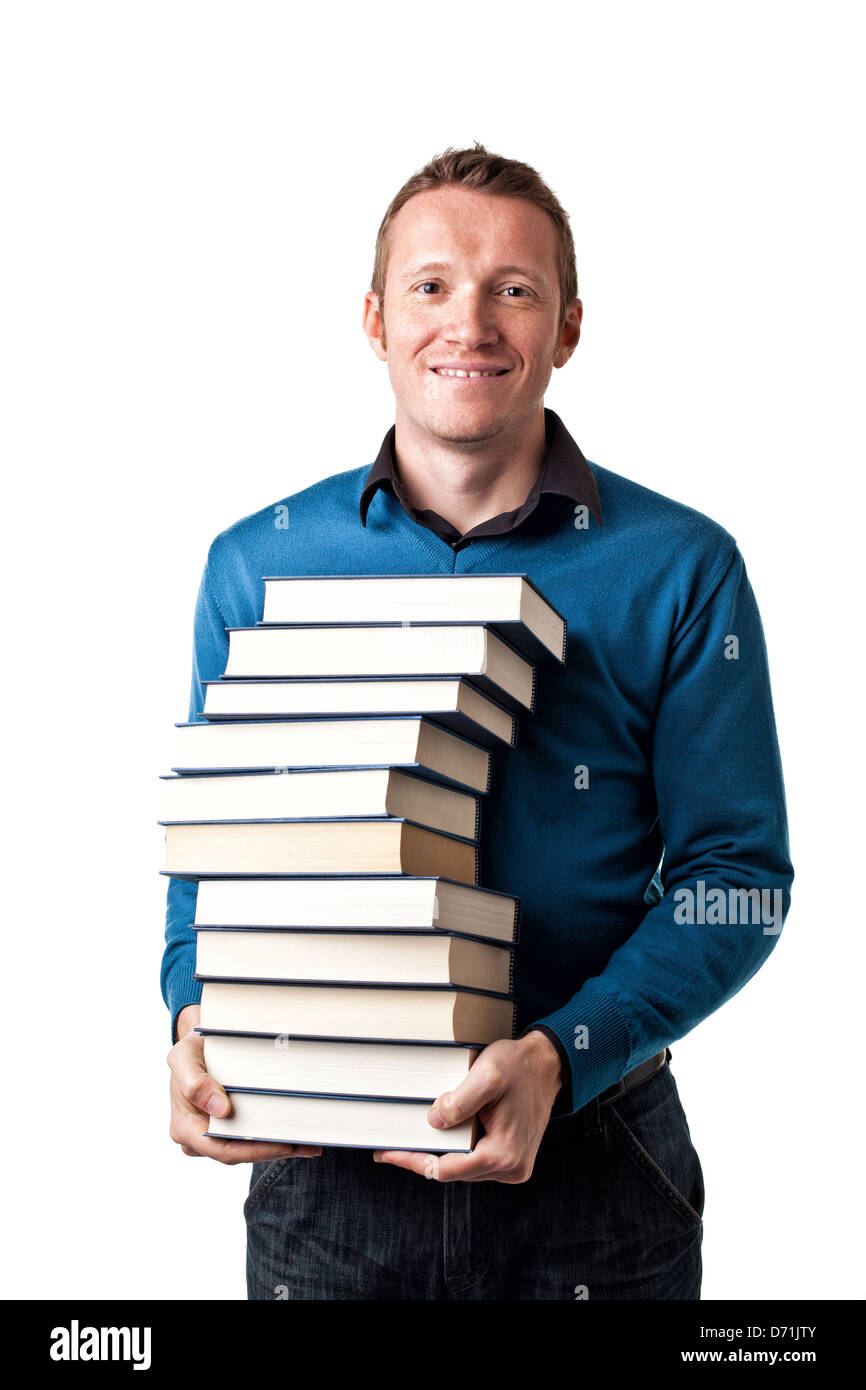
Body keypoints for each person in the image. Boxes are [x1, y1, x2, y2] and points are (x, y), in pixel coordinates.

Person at [163, 143, 793, 1300]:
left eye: (513, 288)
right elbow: (218, 859)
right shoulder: (251, 566)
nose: (470, 321)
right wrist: (192, 1018)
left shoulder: (682, 567)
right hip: (321, 1173)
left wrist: (562, 1056)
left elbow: (736, 875)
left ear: (566, 328)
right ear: (372, 316)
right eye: (431, 285)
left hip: (596, 1171)